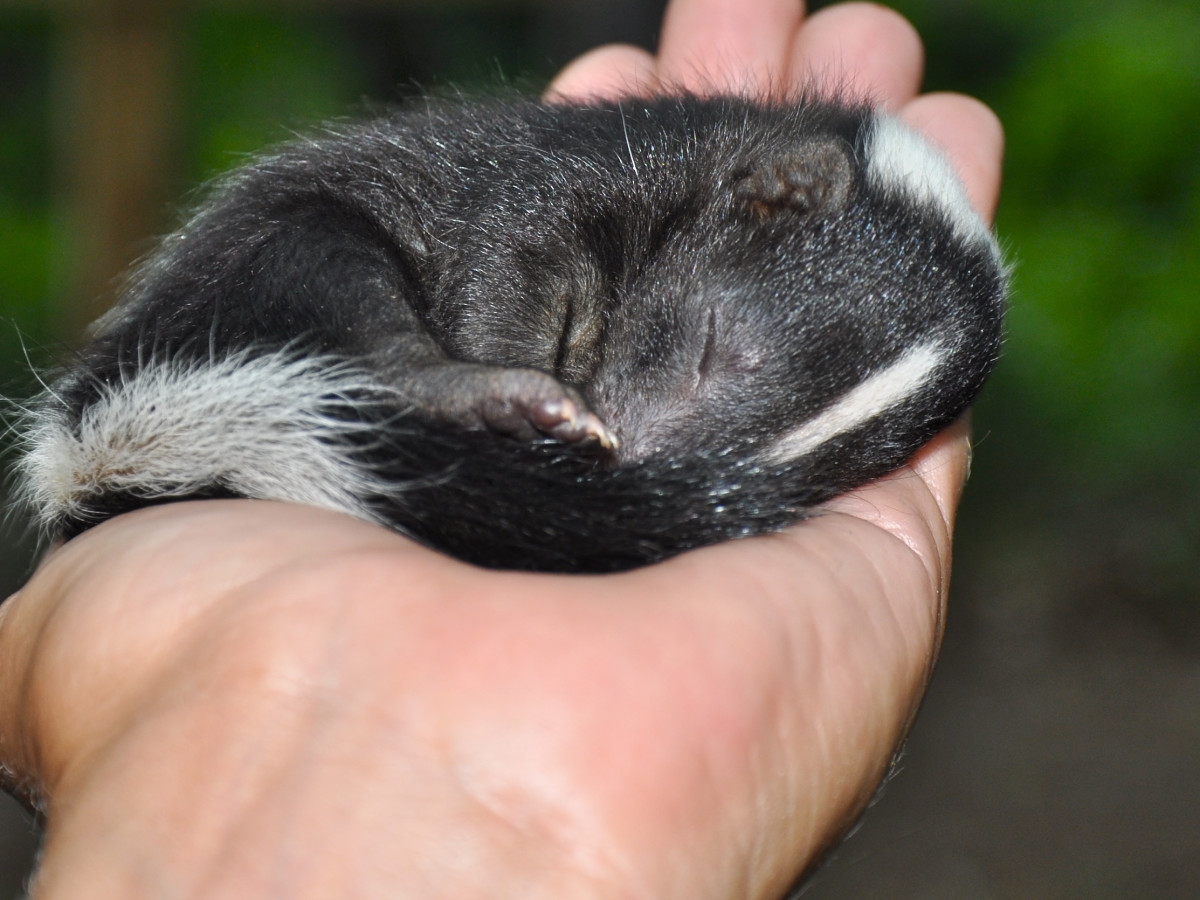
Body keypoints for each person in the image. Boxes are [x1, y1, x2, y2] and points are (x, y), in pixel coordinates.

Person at [0, 1, 1003, 896]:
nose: (658, 448)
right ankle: (413, 384)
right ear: (774, 194)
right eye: (712, 361)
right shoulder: (608, 186)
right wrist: (472, 389)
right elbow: (502, 247)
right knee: (319, 234)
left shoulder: (731, 238)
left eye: (769, 462)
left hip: (230, 473)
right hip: (180, 383)